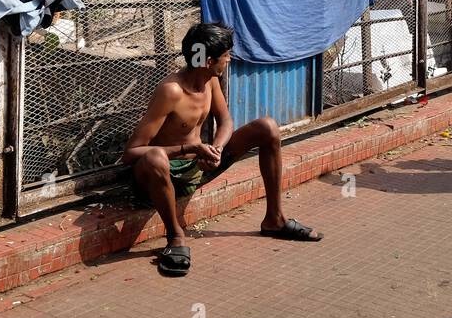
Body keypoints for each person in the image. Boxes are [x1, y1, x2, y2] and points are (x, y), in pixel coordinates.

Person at [120, 22, 322, 277]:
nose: (229, 59)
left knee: (267, 127)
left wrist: (216, 149)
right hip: (165, 175)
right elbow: (132, 153)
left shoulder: (210, 80)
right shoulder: (171, 91)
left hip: (200, 165)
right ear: (208, 61)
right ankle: (175, 236)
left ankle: (275, 219)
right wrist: (189, 147)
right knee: (155, 157)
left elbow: (225, 121)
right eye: (226, 55)